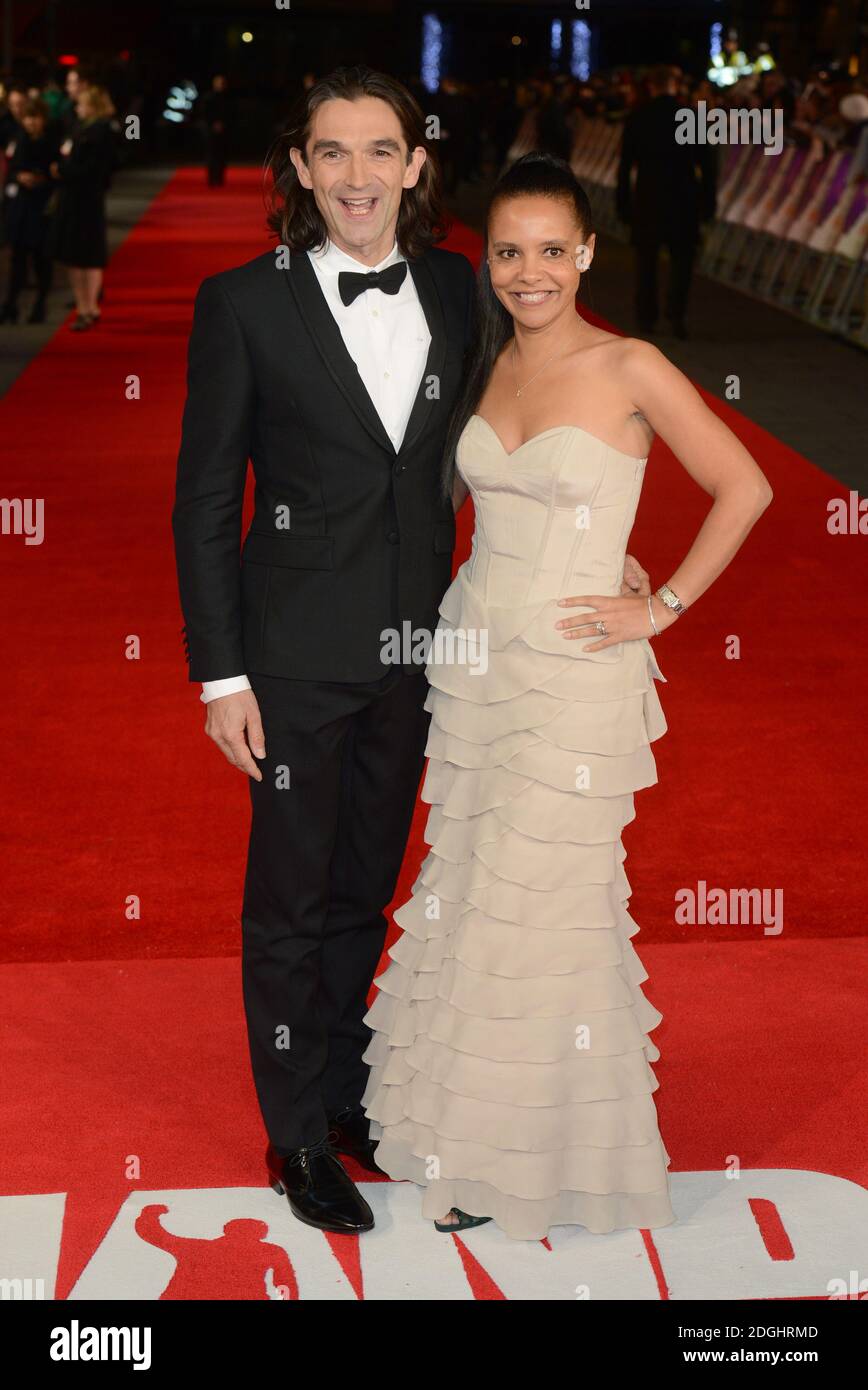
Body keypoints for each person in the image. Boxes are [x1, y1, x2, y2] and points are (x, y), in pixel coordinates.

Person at [172, 68, 652, 1238]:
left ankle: (343, 1094)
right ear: (299, 167)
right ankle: (292, 1136)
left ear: (414, 163)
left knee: (362, 893)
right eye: (330, 153)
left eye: (377, 151)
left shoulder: (458, 288)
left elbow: (535, 420)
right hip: (288, 658)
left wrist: (610, 553)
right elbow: (201, 502)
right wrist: (220, 674)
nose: (355, 176)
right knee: (287, 902)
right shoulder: (241, 302)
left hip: (431, 654)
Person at [361, 152, 772, 1240]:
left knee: (542, 905)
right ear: (485, 258)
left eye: (552, 249)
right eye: (507, 251)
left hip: (576, 679)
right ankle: (472, 1138)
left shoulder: (631, 363)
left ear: (588, 250)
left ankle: (516, 1163)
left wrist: (664, 598)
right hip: (477, 665)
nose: (529, 271)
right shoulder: (487, 361)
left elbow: (748, 484)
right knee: (478, 890)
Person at [616, 64, 716, 339]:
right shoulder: (690, 117)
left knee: (646, 260)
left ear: (651, 85)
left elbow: (625, 166)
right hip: (683, 197)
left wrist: (623, 202)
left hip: (649, 195)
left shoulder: (638, 117)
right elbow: (707, 165)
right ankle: (676, 314)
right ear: (676, 85)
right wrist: (708, 202)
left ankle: (646, 315)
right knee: (682, 259)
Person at [48, 84, 118, 331]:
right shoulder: (79, 128)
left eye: (82, 103)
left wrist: (63, 170)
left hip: (87, 198)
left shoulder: (102, 131)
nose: (77, 107)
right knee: (75, 256)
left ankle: (90, 307)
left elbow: (97, 168)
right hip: (73, 199)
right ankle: (83, 305)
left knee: (88, 254)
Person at [0, 97, 59, 324]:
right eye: (27, 118)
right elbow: (12, 168)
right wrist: (19, 176)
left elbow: (57, 173)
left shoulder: (50, 142)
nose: (31, 123)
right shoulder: (18, 138)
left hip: (42, 207)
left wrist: (41, 179)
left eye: (35, 118)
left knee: (41, 259)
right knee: (17, 258)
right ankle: (10, 304)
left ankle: (40, 304)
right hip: (20, 207)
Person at [197, 74, 230, 186]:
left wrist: (223, 124)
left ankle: (220, 179)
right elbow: (204, 114)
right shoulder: (208, 97)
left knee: (222, 155)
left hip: (224, 131)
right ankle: (211, 179)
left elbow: (231, 114)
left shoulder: (227, 98)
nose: (221, 85)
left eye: (223, 83)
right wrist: (213, 124)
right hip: (209, 131)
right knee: (211, 154)